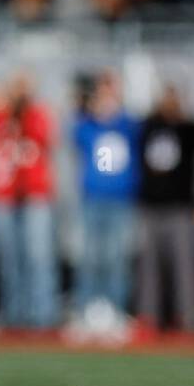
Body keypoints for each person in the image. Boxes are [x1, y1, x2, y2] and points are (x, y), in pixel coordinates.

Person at [0, 73, 58, 327]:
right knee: (8, 260)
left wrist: (25, 107)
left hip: (34, 195)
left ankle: (43, 315)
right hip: (4, 197)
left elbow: (45, 136)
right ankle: (13, 315)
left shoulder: (36, 114)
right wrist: (0, 107)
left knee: (38, 257)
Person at [136, 85, 194, 330]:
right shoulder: (149, 128)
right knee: (149, 267)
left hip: (180, 209)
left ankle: (187, 317)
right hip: (150, 209)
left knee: (184, 266)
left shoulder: (187, 131)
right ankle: (149, 317)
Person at [72, 70, 140, 319]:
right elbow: (75, 134)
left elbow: (135, 129)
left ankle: (116, 309)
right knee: (90, 257)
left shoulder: (128, 125)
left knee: (116, 258)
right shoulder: (87, 125)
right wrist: (92, 110)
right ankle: (86, 310)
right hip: (93, 199)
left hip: (120, 200)